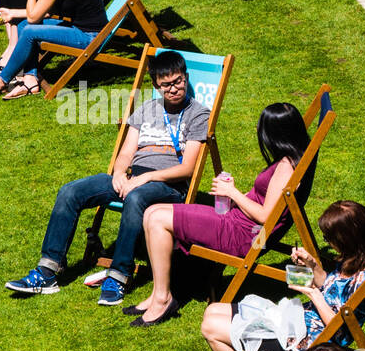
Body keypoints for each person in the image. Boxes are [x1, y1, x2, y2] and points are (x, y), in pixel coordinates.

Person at [3, 48, 210, 303]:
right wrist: (120, 173)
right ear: (156, 86)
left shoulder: (198, 114)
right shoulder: (147, 109)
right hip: (133, 177)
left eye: (178, 82)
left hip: (168, 184)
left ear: (186, 77)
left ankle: (119, 275)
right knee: (71, 191)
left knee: (135, 197)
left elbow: (187, 168)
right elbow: (126, 151)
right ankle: (48, 271)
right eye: (166, 85)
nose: (174, 89)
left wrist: (144, 179)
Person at [132, 101, 312, 327]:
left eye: (262, 128)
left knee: (157, 219)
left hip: (242, 235)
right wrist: (240, 194)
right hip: (237, 223)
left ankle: (162, 298)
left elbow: (267, 216)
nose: (259, 131)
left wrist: (232, 193)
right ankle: (158, 293)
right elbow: (266, 199)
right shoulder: (291, 158)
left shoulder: (286, 167)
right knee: (152, 213)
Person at [202, 200, 365, 351]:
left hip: (305, 343)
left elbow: (341, 332)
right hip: (297, 321)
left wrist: (313, 293)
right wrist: (311, 265)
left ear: (347, 238)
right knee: (214, 310)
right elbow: (331, 290)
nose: (329, 243)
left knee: (210, 328)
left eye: (330, 238)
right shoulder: (358, 257)